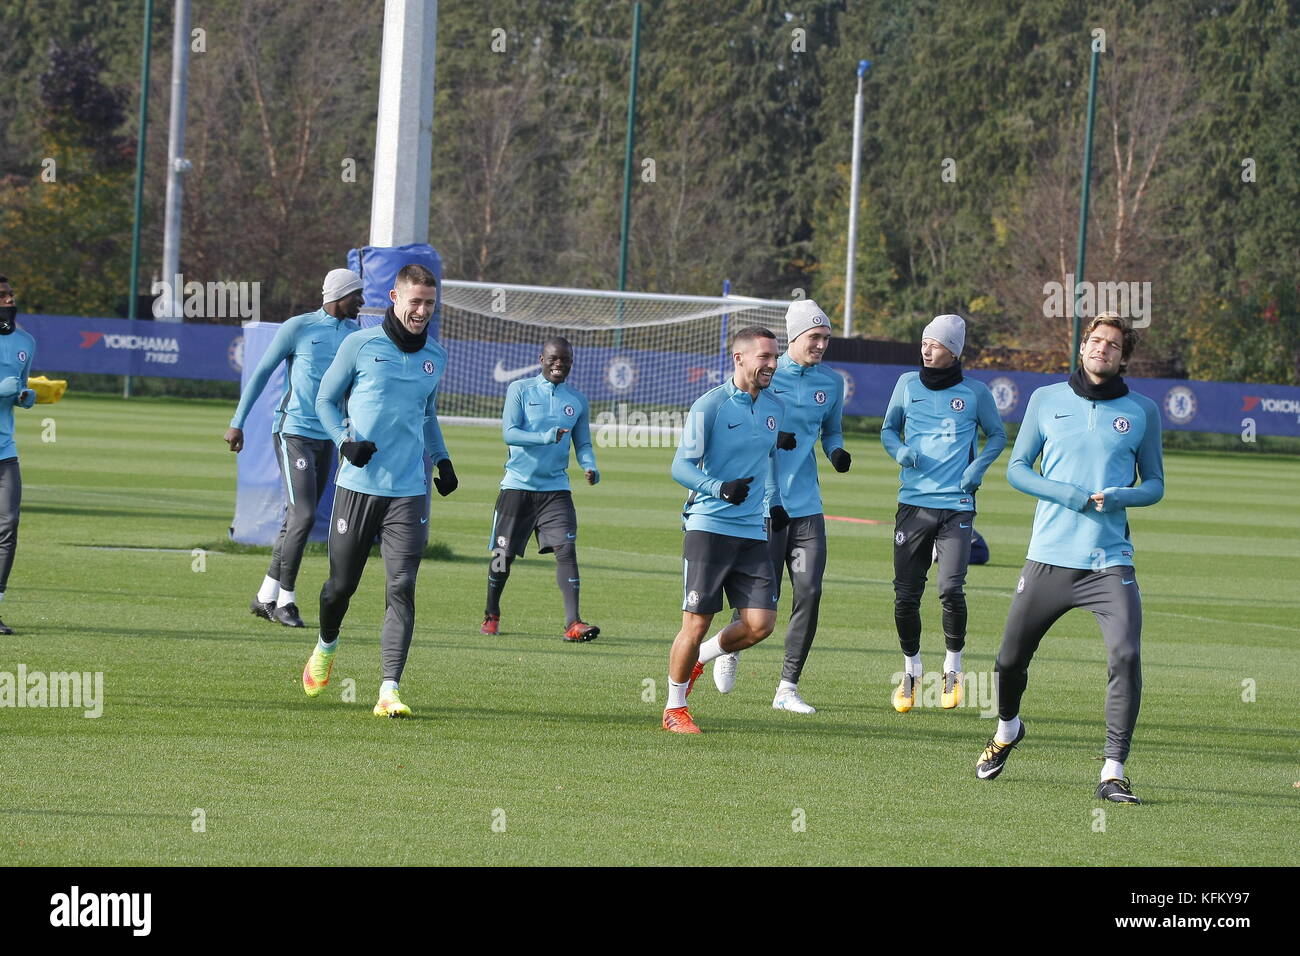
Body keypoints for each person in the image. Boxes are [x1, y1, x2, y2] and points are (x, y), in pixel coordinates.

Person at [975, 313, 1163, 804]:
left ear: (1124, 357)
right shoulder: (1045, 400)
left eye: (1114, 345)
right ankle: (1008, 728)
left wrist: (1123, 495)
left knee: (1125, 655)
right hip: (1049, 558)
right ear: (1083, 348)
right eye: (1096, 341)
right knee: (1009, 660)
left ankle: (1113, 771)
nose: (1103, 349)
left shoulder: (1142, 411)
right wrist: (1067, 493)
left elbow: (1156, 485)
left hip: (1109, 562)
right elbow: (1017, 469)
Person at [301, 264, 459, 718]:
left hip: (408, 491)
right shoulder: (359, 344)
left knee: (402, 586)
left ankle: (389, 689)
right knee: (339, 587)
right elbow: (325, 401)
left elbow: (427, 416)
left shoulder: (436, 356)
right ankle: (326, 645)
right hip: (357, 487)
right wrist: (344, 443)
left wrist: (443, 461)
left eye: (430, 303)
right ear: (394, 297)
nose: (422, 311)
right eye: (415, 301)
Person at [709, 300, 849, 714]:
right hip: (763, 505)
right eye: (815, 337)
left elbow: (832, 429)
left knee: (809, 591)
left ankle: (787, 687)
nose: (821, 345)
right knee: (759, 594)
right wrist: (772, 437)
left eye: (826, 338)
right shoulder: (766, 373)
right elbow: (740, 424)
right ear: (794, 338)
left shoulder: (832, 382)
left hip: (806, 506)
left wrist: (836, 450)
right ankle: (733, 646)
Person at [661, 327, 789, 734]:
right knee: (695, 622)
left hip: (752, 530)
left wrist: (775, 501)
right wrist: (718, 488)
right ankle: (673, 708)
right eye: (765, 357)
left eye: (775, 357)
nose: (772, 364)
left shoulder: (774, 407)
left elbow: (767, 458)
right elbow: (680, 466)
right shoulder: (710, 405)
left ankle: (702, 658)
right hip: (709, 527)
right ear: (739, 358)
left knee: (761, 624)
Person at [881, 314, 1006, 712]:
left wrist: (977, 468)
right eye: (924, 342)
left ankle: (953, 665)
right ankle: (913, 669)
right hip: (913, 503)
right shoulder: (906, 384)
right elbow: (887, 429)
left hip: (956, 505)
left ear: (954, 349)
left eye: (935, 343)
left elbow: (998, 435)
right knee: (905, 596)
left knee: (950, 588)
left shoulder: (975, 392)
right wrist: (899, 450)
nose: (927, 348)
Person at [225, 268, 364, 628]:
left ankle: (264, 596)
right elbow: (260, 374)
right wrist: (237, 422)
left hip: (330, 438)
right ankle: (286, 601)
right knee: (302, 516)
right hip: (294, 432)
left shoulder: (357, 335)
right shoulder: (299, 327)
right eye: (356, 295)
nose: (362, 302)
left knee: (295, 520)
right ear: (338, 295)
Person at [480, 337, 601, 641]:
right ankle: (491, 612)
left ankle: (573, 623)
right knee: (501, 555)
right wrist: (545, 436)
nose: (560, 364)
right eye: (554, 359)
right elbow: (509, 433)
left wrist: (590, 465)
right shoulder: (520, 390)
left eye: (566, 360)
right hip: (517, 488)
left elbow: (582, 442)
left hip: (555, 490)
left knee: (566, 548)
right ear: (541, 359)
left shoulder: (577, 401)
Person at [0, 275, 37, 635]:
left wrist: (24, 397)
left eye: (10, 294)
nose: (9, 301)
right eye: (1, 296)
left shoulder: (26, 342)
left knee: (7, 527)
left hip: (5, 453)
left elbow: (18, 389)